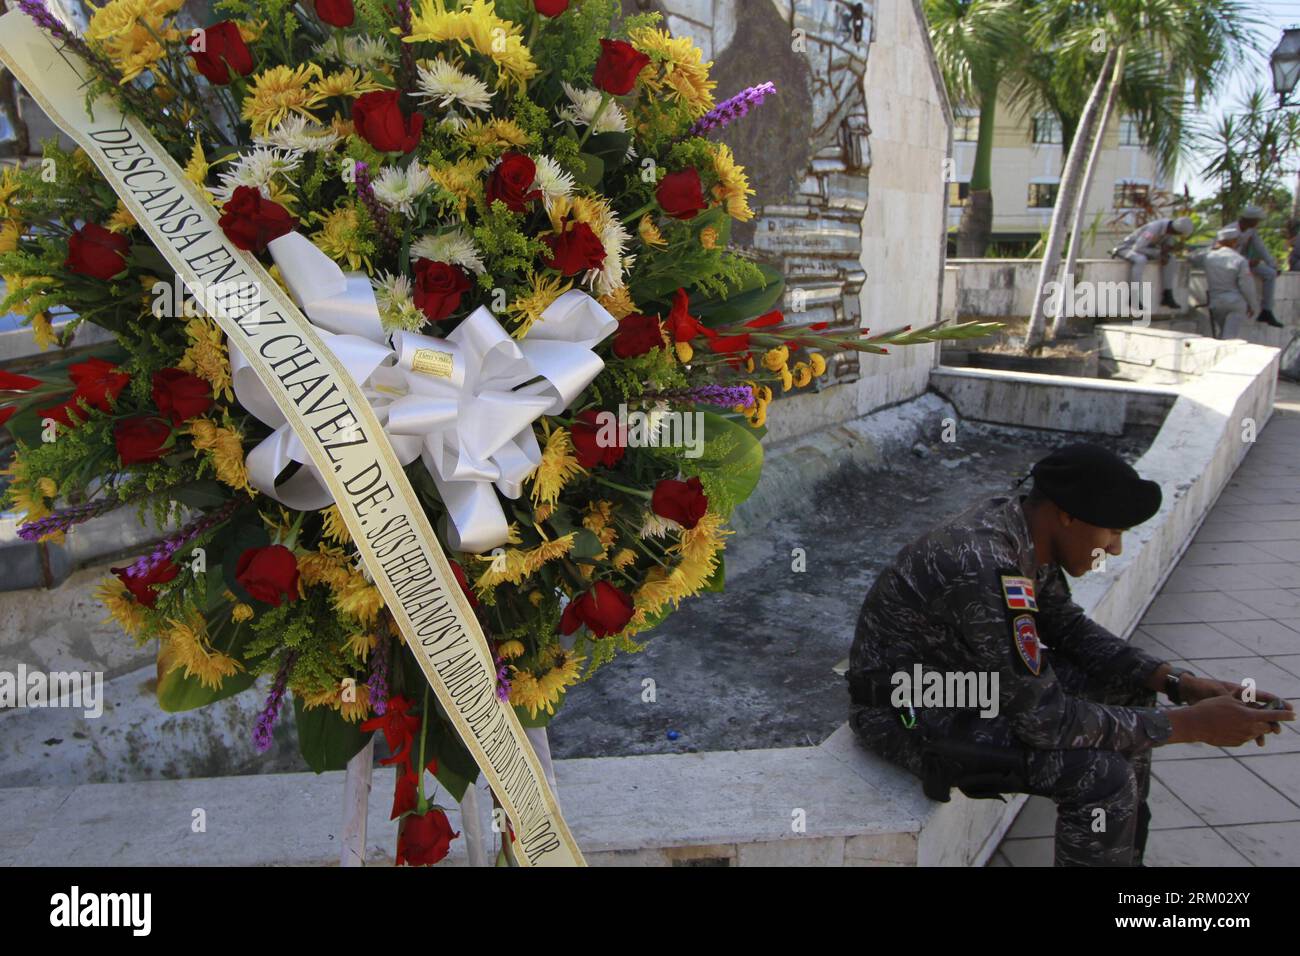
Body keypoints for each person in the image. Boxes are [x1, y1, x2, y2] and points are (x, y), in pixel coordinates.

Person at [846, 444, 1294, 867]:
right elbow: (1045, 721)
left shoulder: (1022, 528)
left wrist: (1175, 682)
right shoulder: (983, 563)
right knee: (1100, 775)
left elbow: (1066, 625)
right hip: (909, 709)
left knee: (1129, 690)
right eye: (1113, 531)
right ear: (1065, 517)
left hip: (972, 685)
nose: (1116, 548)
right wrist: (1191, 726)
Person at [1188, 226, 1258, 340]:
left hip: (1216, 303)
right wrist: (1252, 305)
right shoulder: (1239, 259)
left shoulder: (1208, 256)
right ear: (1234, 242)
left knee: (1223, 334)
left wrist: (1211, 248)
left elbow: (1191, 257)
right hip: (1235, 303)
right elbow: (1246, 285)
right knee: (1229, 338)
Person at [1110, 216, 1193, 311]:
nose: (1175, 235)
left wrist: (1165, 254)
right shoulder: (1153, 228)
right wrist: (1159, 253)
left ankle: (1167, 294)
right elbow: (1137, 248)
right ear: (1173, 229)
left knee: (1171, 259)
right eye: (1177, 234)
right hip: (1126, 248)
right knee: (1140, 259)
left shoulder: (1169, 230)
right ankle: (1133, 296)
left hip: (1146, 250)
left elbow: (1166, 247)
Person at [1236, 204, 1284, 328]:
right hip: (1231, 265)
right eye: (1257, 220)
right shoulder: (1231, 230)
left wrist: (1273, 265)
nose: (1258, 223)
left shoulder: (1251, 231)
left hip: (1244, 263)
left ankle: (1266, 311)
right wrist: (1247, 262)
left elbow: (1261, 248)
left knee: (1270, 274)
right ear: (1250, 220)